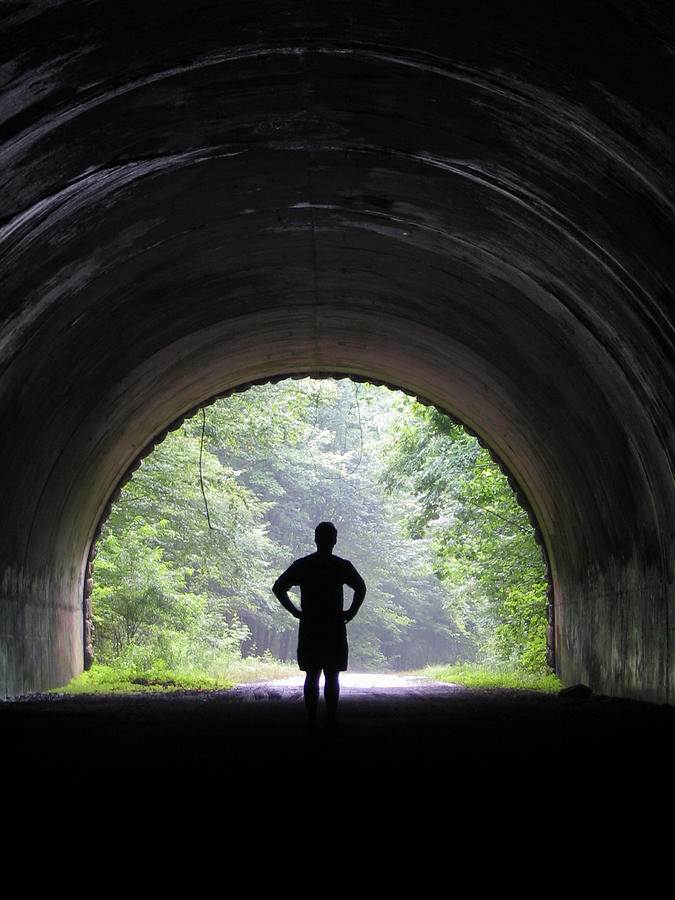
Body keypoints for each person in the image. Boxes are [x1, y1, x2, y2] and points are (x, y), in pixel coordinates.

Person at [273, 522, 366, 732]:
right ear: (335, 540)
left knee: (312, 674)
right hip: (334, 626)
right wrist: (351, 611)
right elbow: (360, 587)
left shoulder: (303, 565)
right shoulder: (341, 565)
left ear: (315, 539)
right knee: (332, 675)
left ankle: (311, 721)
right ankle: (331, 721)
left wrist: (296, 612)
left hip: (311, 626)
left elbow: (278, 587)